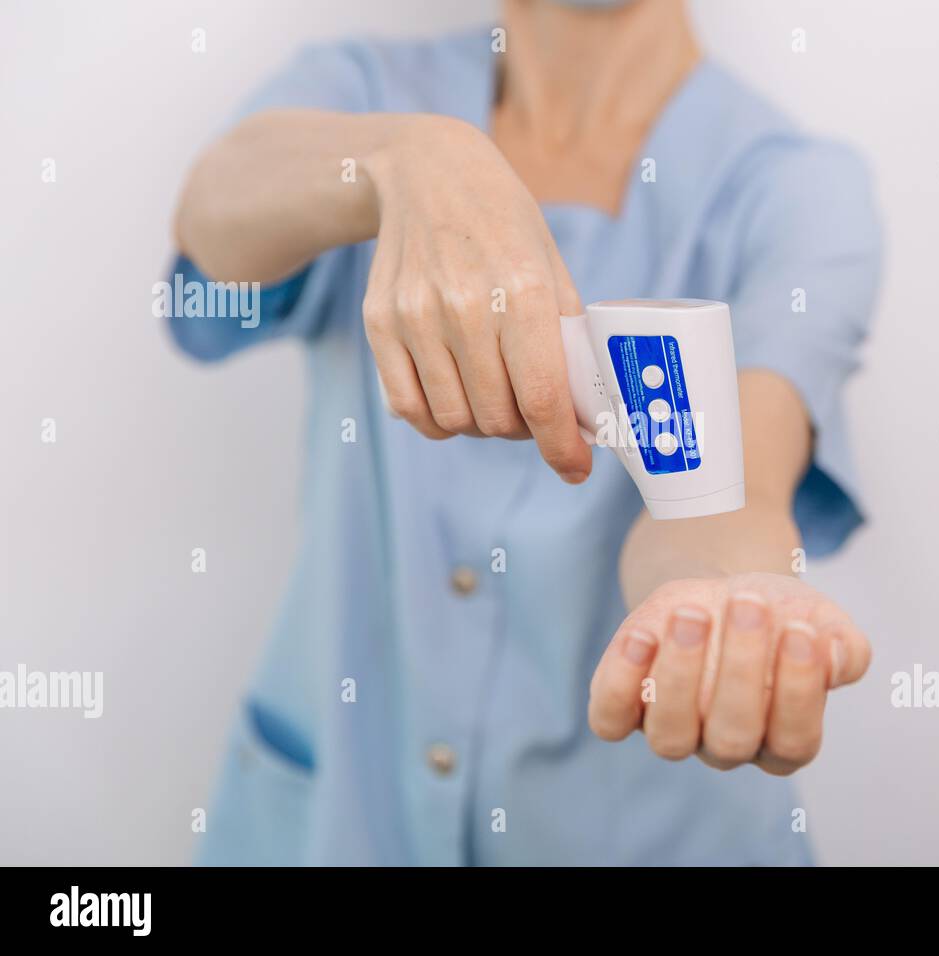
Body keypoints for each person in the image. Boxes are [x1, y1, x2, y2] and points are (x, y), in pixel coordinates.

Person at [168, 0, 881, 865]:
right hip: (344, 822)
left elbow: (727, 500)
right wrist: (409, 160)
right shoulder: (363, 92)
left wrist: (720, 603)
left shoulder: (796, 194)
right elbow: (212, 213)